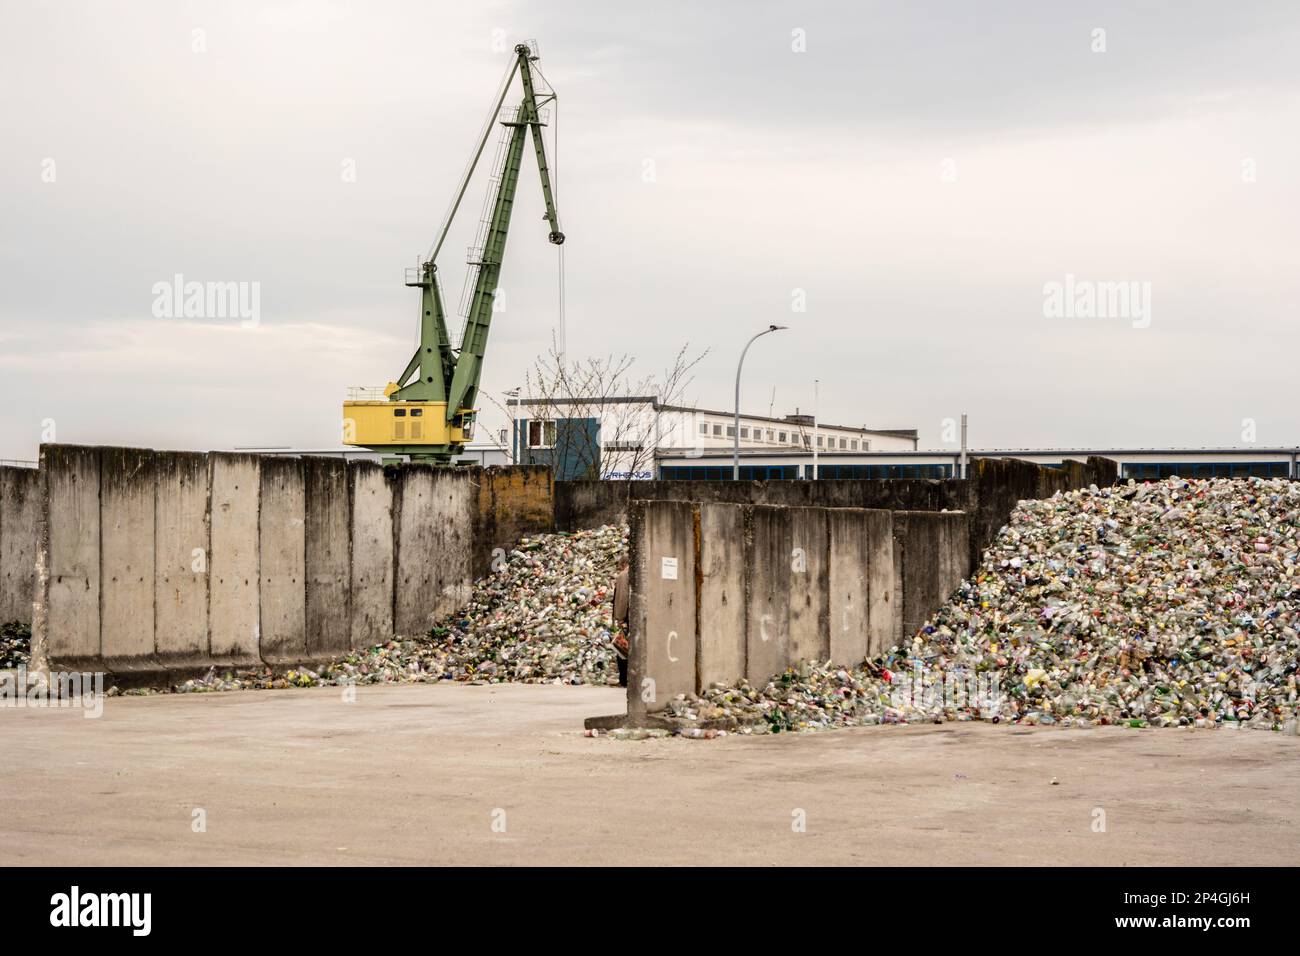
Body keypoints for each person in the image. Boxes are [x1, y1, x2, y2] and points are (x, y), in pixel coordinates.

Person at [611, 559, 630, 686]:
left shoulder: (623, 576)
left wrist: (620, 617)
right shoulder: (637, 573)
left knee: (621, 648)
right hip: (634, 616)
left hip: (627, 617)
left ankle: (624, 680)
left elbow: (622, 597)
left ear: (623, 564)